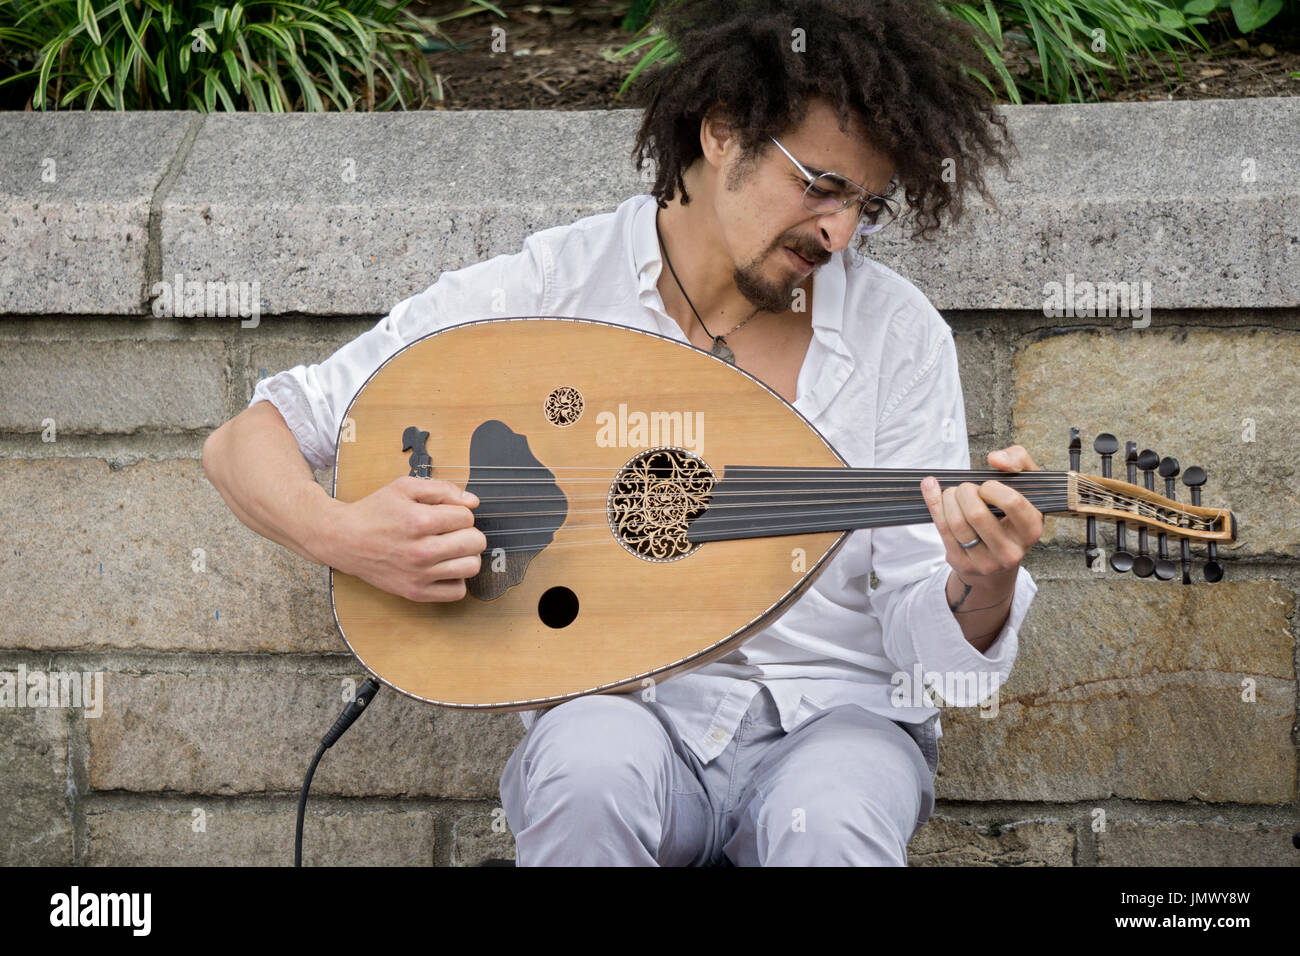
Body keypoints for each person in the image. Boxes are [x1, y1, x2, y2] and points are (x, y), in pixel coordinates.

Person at [203, 0, 1043, 866]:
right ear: (723, 133)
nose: (838, 230)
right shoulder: (552, 290)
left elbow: (932, 655)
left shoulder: (895, 337)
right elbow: (246, 441)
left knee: (831, 824)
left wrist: (980, 585)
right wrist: (348, 535)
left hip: (836, 723)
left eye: (867, 204)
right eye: (821, 186)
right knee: (587, 770)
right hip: (628, 711)